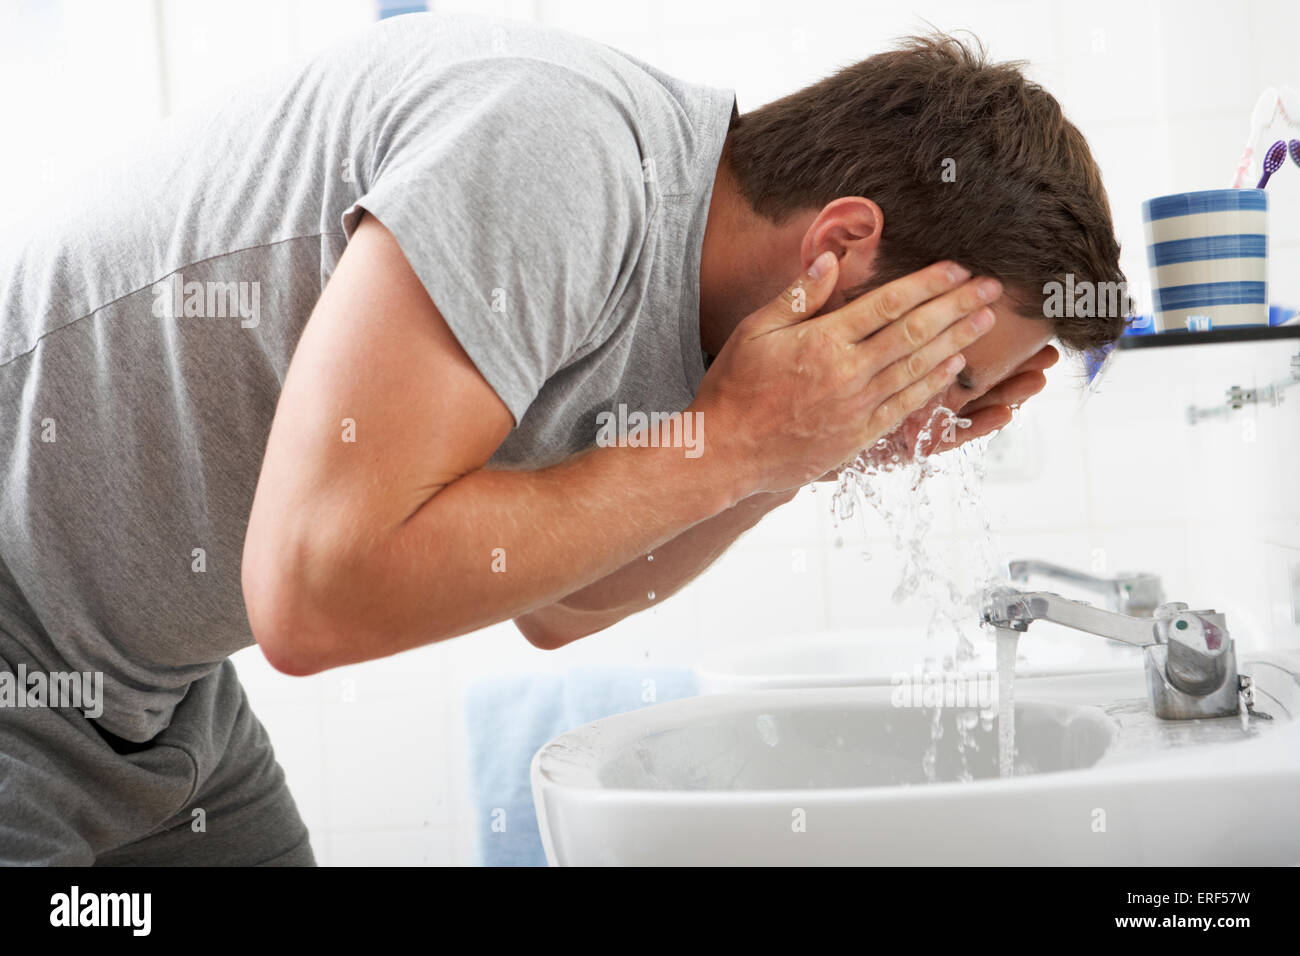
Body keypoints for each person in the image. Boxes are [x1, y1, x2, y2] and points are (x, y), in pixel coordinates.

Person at [0, 13, 1125, 864]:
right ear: (841, 243)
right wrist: (742, 440)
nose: (932, 408)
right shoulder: (559, 156)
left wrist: (794, 451)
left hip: (152, 691)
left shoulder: (680, 300)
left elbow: (560, 603)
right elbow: (311, 591)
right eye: (943, 367)